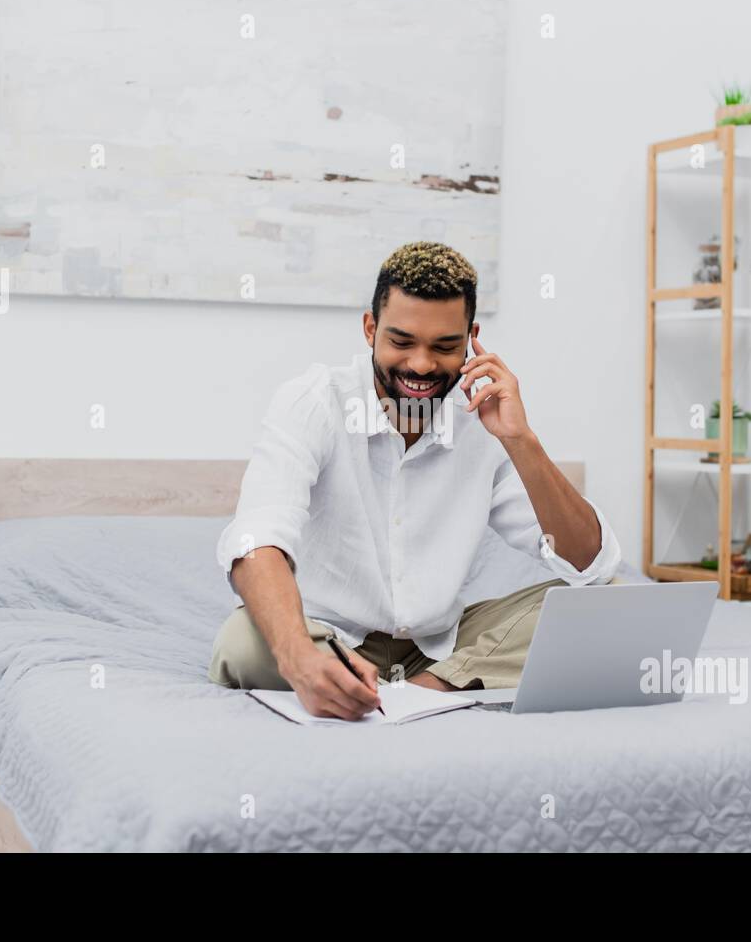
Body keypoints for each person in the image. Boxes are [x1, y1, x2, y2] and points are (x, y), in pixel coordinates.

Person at [209, 241, 620, 719]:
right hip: (329, 637)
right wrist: (298, 655)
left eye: (444, 346)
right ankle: (363, 679)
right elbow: (257, 539)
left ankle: (427, 688)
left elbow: (590, 562)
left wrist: (520, 440)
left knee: (608, 602)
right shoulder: (313, 403)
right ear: (370, 328)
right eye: (402, 342)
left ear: (471, 339)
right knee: (241, 643)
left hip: (438, 648)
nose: (421, 365)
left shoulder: (484, 419)